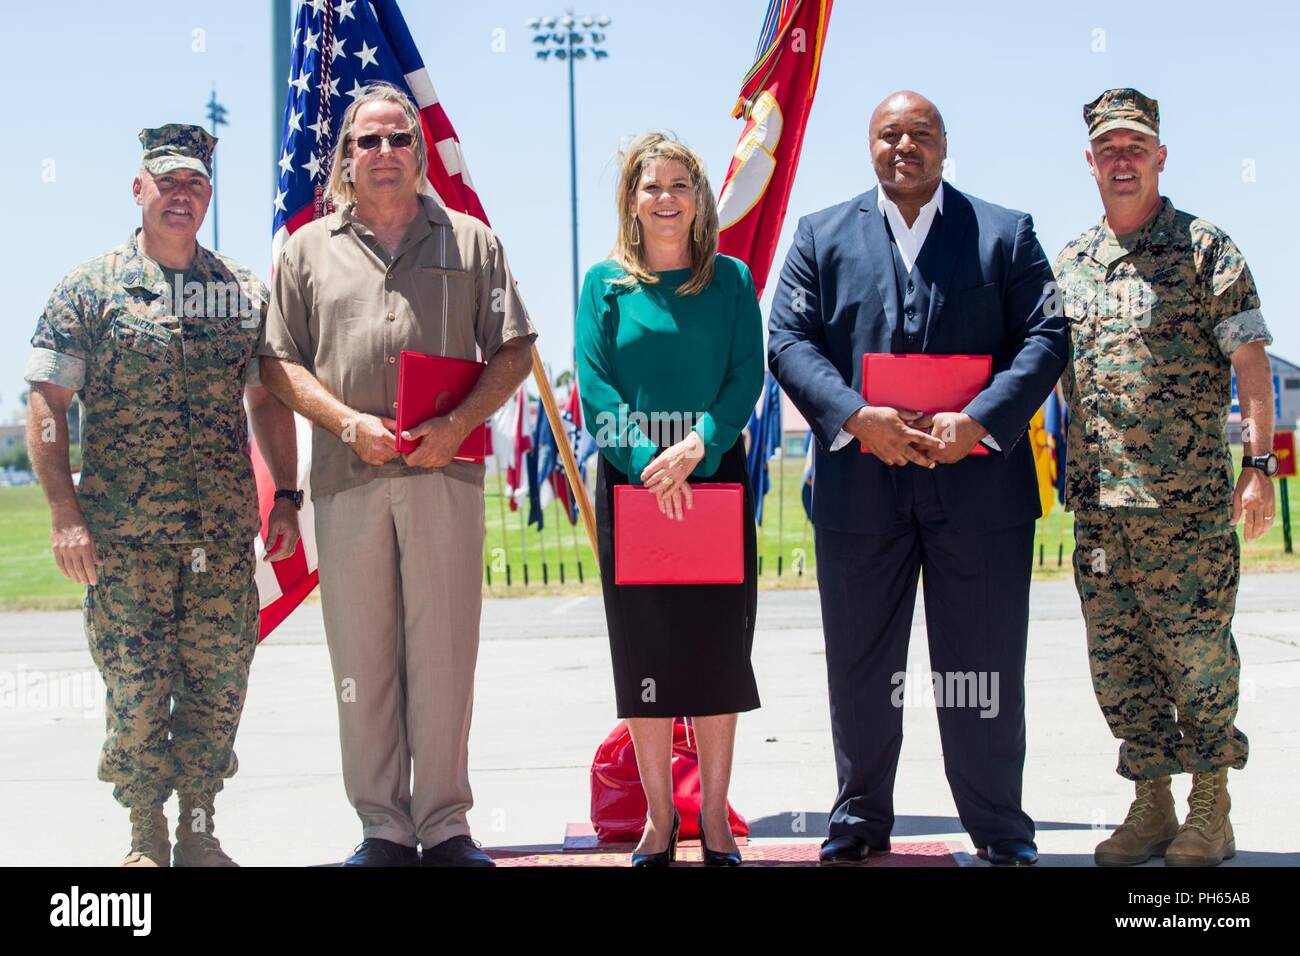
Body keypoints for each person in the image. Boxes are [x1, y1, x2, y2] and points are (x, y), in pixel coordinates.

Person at [768, 91, 1067, 867]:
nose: (905, 146)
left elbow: (1047, 335)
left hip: (979, 491)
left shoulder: (1005, 234)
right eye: (889, 134)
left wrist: (983, 419)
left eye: (921, 135)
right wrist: (853, 415)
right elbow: (789, 340)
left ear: (945, 144)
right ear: (870, 145)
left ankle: (1002, 829)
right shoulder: (819, 236)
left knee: (983, 665)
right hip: (860, 490)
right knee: (862, 664)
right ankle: (859, 821)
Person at [258, 82, 536, 867]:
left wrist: (457, 425)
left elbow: (514, 349)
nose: (384, 153)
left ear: (419, 152)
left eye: (399, 139)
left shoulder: (473, 242)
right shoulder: (307, 251)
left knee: (445, 653)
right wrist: (346, 422)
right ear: (345, 157)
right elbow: (277, 363)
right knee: (363, 657)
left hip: (443, 479)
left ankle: (445, 824)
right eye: (367, 141)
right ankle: (382, 827)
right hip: (348, 481)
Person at [23, 124, 301, 867]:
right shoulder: (90, 289)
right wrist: (63, 515)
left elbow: (267, 401)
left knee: (217, 686)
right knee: (137, 691)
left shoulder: (241, 291)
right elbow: (47, 402)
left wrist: (288, 498)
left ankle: (201, 827)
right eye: (168, 182)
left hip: (219, 538)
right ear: (138, 187)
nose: (182, 195)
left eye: (196, 184)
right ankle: (145, 833)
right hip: (124, 541)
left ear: (209, 195)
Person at [1055, 89, 1275, 867]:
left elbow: (1252, 366)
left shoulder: (1206, 249)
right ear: (1090, 162)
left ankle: (1210, 808)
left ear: (1160, 157)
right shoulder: (1072, 264)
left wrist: (1259, 465)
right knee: (1120, 662)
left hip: (1186, 509)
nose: (1122, 160)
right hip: (1100, 512)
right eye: (1108, 149)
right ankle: (1151, 804)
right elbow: (1048, 377)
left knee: (1198, 657)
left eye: (1135, 147)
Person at [576, 132, 764, 866]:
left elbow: (744, 378)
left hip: (715, 477)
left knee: (717, 652)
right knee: (646, 653)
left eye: (679, 184)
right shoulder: (605, 286)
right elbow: (596, 389)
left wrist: (698, 447)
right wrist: (652, 460)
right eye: (651, 186)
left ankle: (713, 822)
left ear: (699, 198)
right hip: (633, 486)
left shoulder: (732, 282)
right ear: (631, 198)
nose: (665, 198)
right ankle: (661, 821)